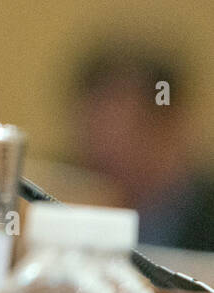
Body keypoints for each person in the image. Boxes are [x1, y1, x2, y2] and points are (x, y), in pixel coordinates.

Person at [68, 33, 214, 252]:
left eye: (125, 132)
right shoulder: (58, 200)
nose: (106, 152)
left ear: (170, 126)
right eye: (95, 131)